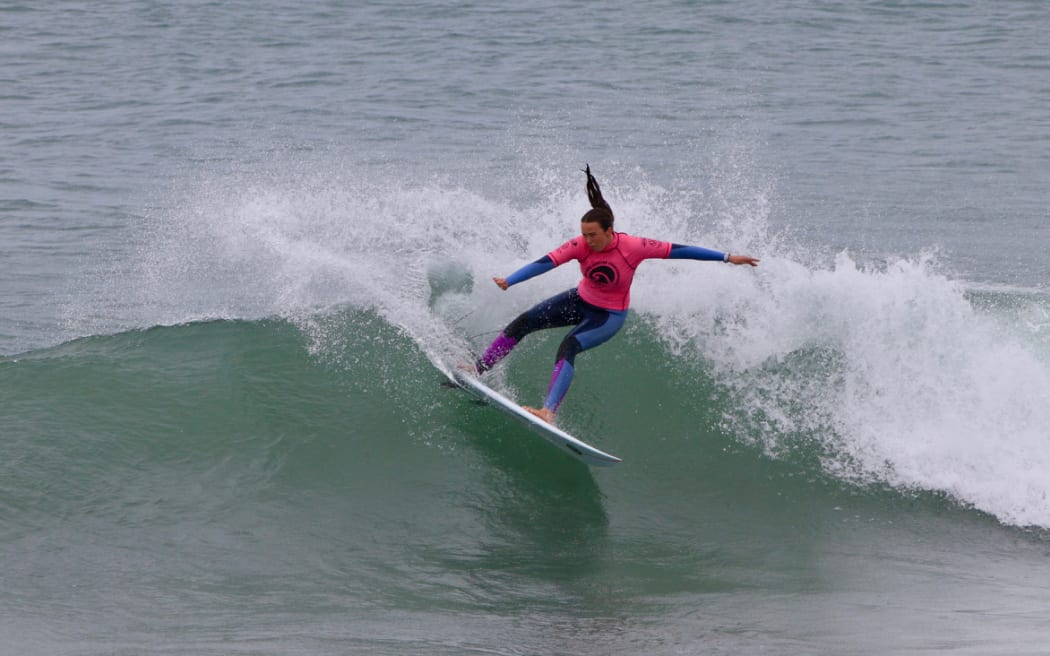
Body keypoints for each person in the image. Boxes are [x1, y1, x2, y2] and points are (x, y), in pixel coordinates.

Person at [475, 166, 759, 424]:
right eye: (584, 235)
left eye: (592, 236)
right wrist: (510, 281)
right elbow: (546, 262)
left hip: (608, 316)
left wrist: (727, 257)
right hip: (579, 300)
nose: (586, 241)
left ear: (609, 231)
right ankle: (478, 369)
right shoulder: (580, 245)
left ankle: (548, 412)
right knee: (523, 322)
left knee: (569, 346)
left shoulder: (634, 247)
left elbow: (680, 250)